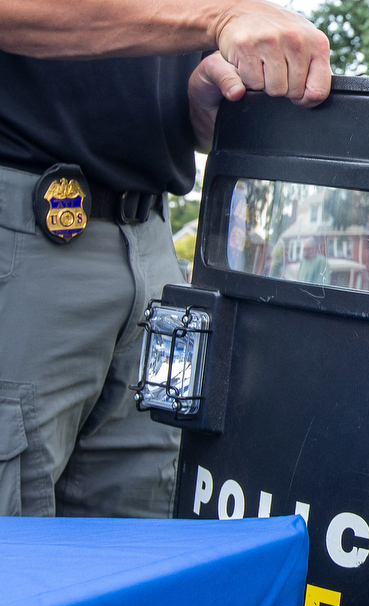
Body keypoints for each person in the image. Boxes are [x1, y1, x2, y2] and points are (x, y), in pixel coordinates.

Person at [0, 1, 331, 518]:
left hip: (150, 245)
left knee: (132, 565)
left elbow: (173, 104)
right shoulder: (213, 11)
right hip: (20, 233)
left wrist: (201, 101)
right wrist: (220, 18)